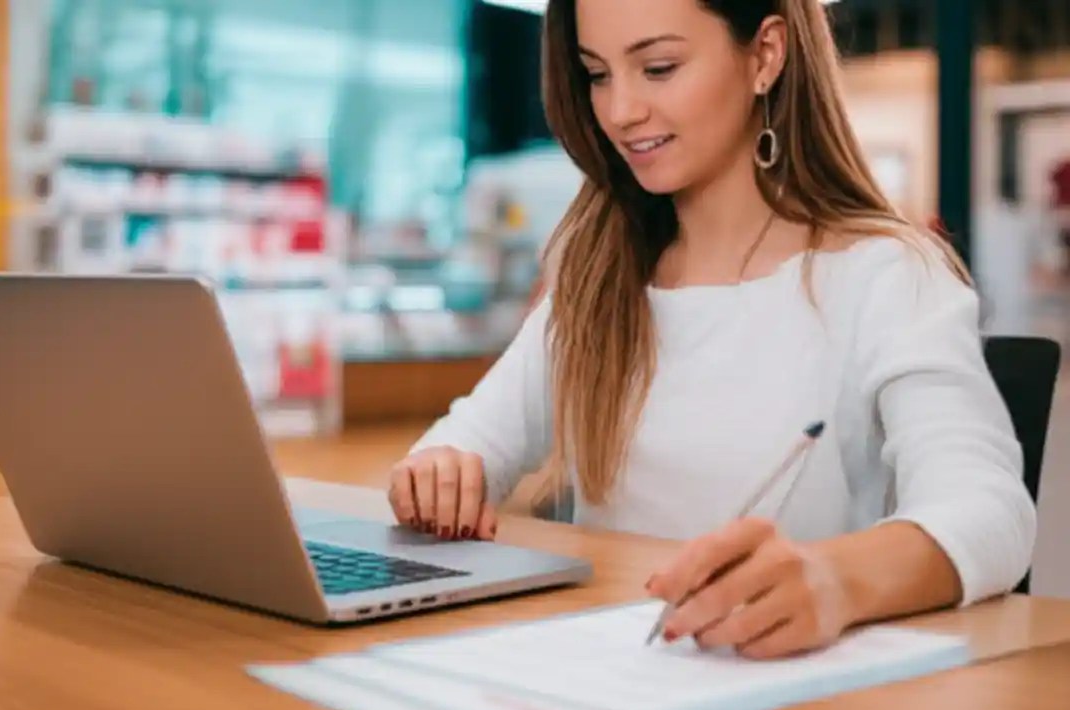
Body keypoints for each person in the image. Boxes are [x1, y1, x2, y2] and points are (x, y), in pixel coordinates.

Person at [386, 0, 1036, 661]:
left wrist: (834, 579)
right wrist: (441, 473)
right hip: (613, 676)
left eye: (659, 67)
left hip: (784, 683)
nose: (619, 111)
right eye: (597, 74)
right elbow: (463, 446)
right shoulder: (599, 279)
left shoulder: (886, 274)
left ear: (765, 55)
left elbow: (989, 514)